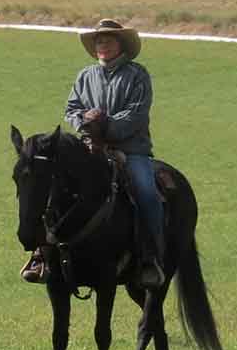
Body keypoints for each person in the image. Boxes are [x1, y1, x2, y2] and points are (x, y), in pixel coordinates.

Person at [22, 17, 164, 288]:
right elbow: (71, 108)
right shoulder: (85, 76)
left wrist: (104, 125)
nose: (103, 45)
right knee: (53, 188)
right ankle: (42, 254)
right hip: (88, 148)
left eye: (108, 40)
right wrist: (84, 122)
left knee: (147, 193)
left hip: (130, 150)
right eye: (99, 41)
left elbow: (136, 114)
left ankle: (150, 257)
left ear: (120, 44)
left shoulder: (137, 75)